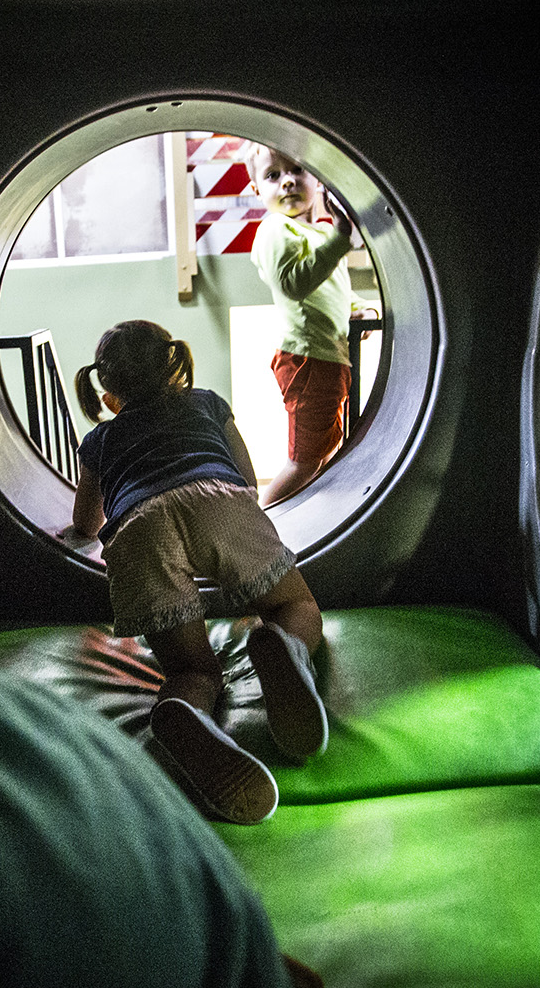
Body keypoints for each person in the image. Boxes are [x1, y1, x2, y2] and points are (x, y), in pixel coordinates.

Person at [65, 318, 329, 826]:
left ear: (106, 388)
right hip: (217, 501)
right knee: (293, 605)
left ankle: (186, 713)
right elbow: (247, 476)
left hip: (138, 531)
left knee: (190, 670)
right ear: (173, 363)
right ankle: (285, 648)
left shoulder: (100, 439)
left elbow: (85, 520)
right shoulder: (205, 401)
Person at [246, 145, 381, 506]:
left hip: (325, 356)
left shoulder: (318, 236)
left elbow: (332, 292)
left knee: (320, 455)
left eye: (296, 171)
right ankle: (263, 519)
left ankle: (298, 518)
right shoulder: (275, 230)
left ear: (316, 181)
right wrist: (341, 238)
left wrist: (361, 308)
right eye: (273, 175)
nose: (287, 180)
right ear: (256, 189)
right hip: (307, 358)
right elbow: (294, 283)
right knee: (304, 462)